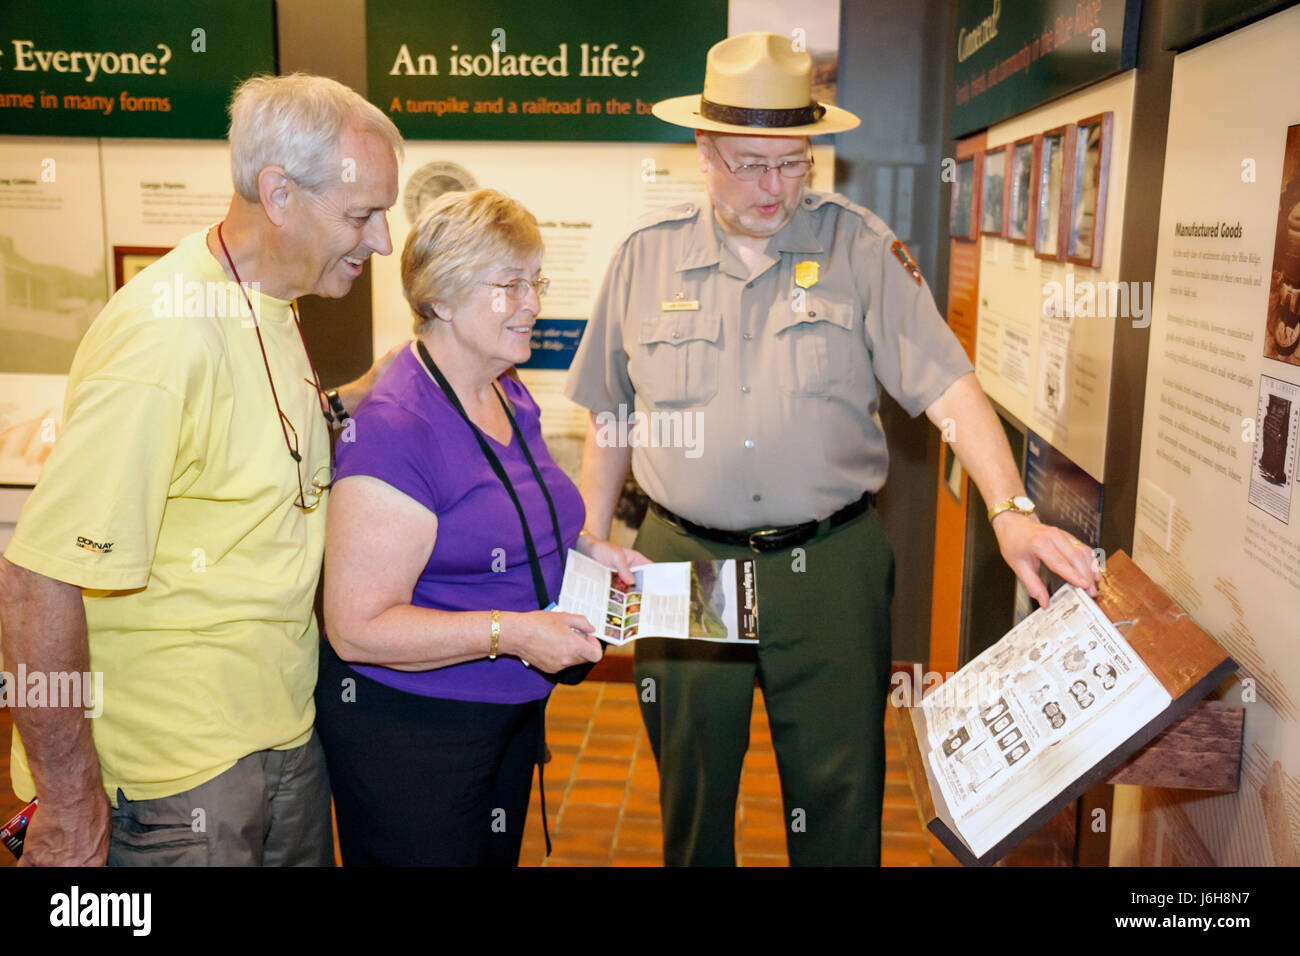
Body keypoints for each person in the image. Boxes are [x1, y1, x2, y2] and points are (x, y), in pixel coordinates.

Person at [564, 32, 1103, 866]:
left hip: (828, 564)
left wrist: (1011, 510)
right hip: (681, 561)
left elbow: (947, 386)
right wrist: (594, 537)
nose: (773, 187)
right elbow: (608, 409)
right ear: (703, 149)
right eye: (749, 163)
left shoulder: (859, 248)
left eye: (793, 161)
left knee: (840, 792)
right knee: (692, 787)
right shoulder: (645, 258)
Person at [0, 73, 404, 866]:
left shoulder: (269, 301)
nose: (382, 242)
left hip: (281, 732)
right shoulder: (163, 337)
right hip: (178, 776)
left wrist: (387, 385)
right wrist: (71, 801)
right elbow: (35, 580)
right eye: (362, 215)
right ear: (278, 193)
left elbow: (262, 443)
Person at [314, 188, 644, 866]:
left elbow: (516, 512)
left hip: (506, 713)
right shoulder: (395, 427)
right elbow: (356, 627)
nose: (533, 303)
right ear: (440, 296)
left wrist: (588, 549)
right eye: (510, 285)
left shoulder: (502, 386)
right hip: (417, 733)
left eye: (536, 282)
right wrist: (515, 631)